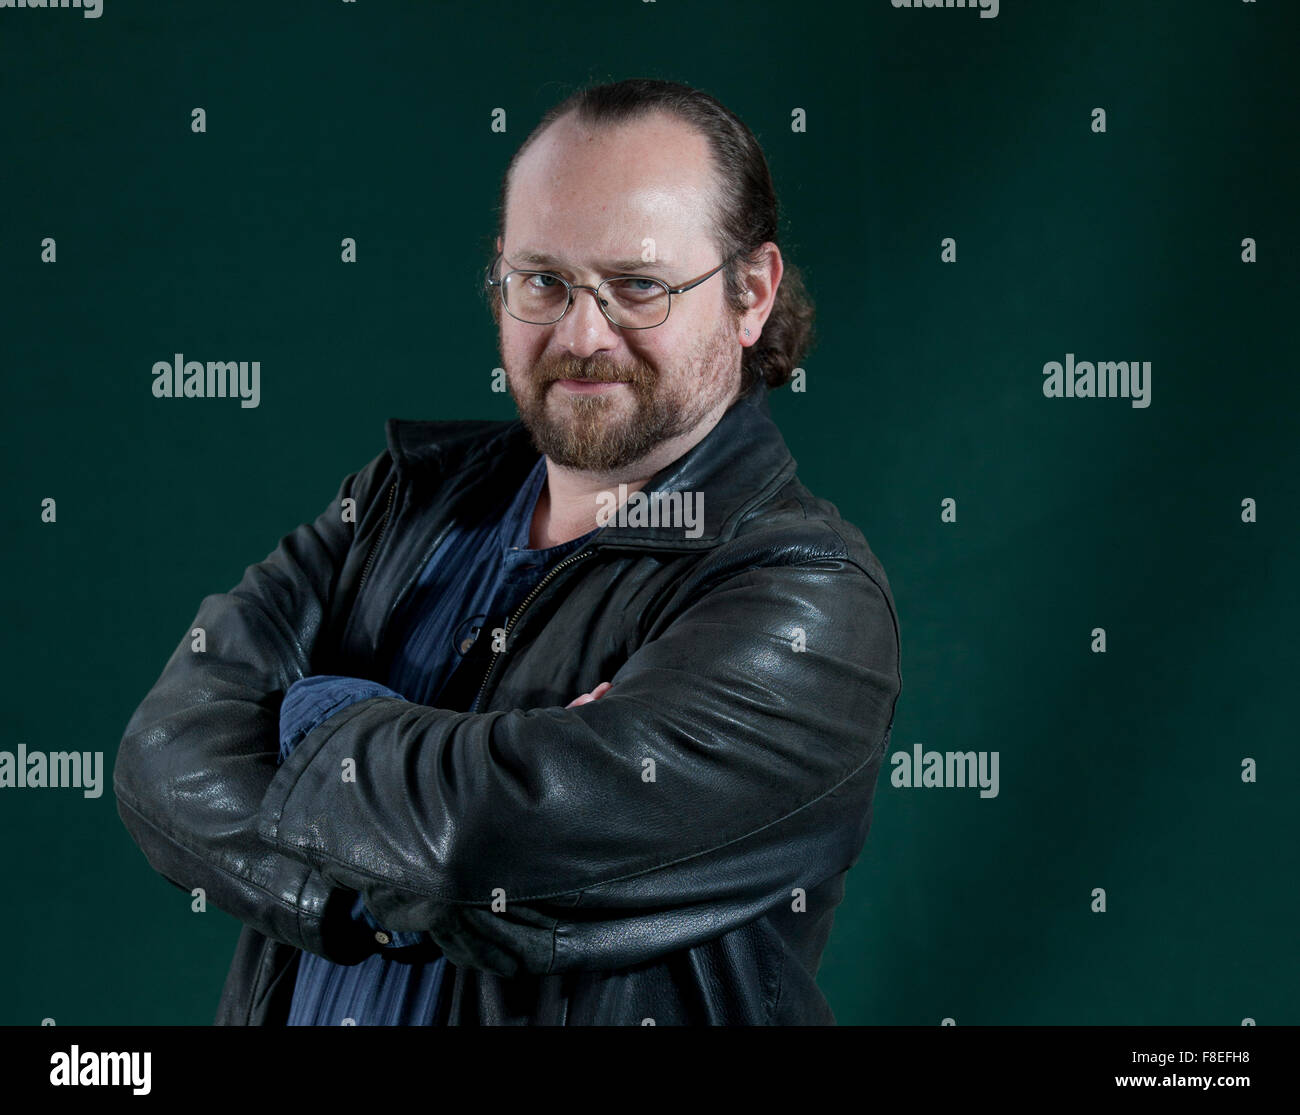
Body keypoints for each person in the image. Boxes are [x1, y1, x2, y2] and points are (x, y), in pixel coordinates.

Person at [114, 77, 903, 1026]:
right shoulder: (405, 496)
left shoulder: (805, 599)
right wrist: (413, 826)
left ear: (751, 293)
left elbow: (480, 854)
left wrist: (312, 710)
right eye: (543, 281)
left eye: (639, 287)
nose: (580, 334)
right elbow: (163, 755)